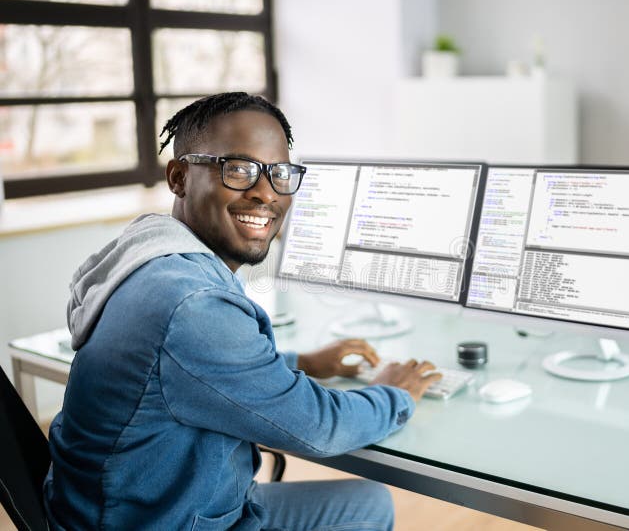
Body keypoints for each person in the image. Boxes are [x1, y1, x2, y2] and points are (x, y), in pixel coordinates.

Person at [44, 92, 442, 530]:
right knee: (366, 506)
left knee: (365, 502)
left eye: (280, 173)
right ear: (179, 177)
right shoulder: (190, 305)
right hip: (156, 523)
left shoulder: (152, 261)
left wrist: (303, 363)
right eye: (238, 169)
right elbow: (320, 428)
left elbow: (187, 373)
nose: (265, 194)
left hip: (127, 509)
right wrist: (394, 393)